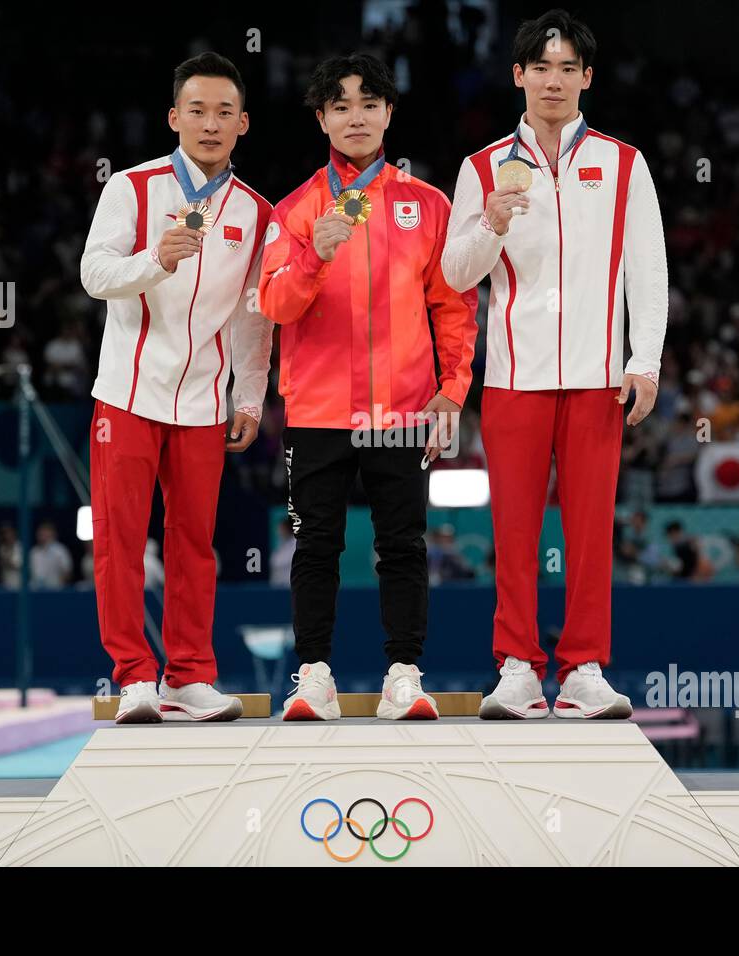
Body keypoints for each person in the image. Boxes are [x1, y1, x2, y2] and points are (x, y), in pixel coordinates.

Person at [442, 10, 668, 718]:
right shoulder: (482, 168)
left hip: (600, 376)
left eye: (568, 68)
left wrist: (646, 360)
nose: (553, 80)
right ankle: (515, 665)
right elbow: (454, 272)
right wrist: (492, 222)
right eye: (540, 67)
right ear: (518, 75)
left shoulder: (622, 163)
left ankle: (584, 667)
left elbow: (648, 270)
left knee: (591, 526)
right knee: (512, 527)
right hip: (514, 376)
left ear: (587, 78)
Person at [259, 52, 478, 720]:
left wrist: (453, 389)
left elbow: (453, 305)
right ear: (322, 117)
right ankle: (315, 676)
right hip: (319, 410)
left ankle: (403, 675)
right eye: (341, 104)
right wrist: (312, 256)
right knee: (316, 544)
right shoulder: (295, 211)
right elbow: (274, 305)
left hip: (407, 409)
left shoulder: (428, 205)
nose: (356, 116)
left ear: (389, 112)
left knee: (403, 544)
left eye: (369, 102)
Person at [81, 53, 274, 723]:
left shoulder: (255, 211)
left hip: (202, 403)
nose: (210, 123)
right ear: (174, 117)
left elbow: (255, 313)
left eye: (225, 112)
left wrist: (250, 395)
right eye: (197, 110)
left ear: (243, 123)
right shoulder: (130, 190)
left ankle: (187, 675)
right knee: (121, 541)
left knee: (194, 545)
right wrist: (152, 262)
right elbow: (94, 274)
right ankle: (134, 675)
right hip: (128, 394)